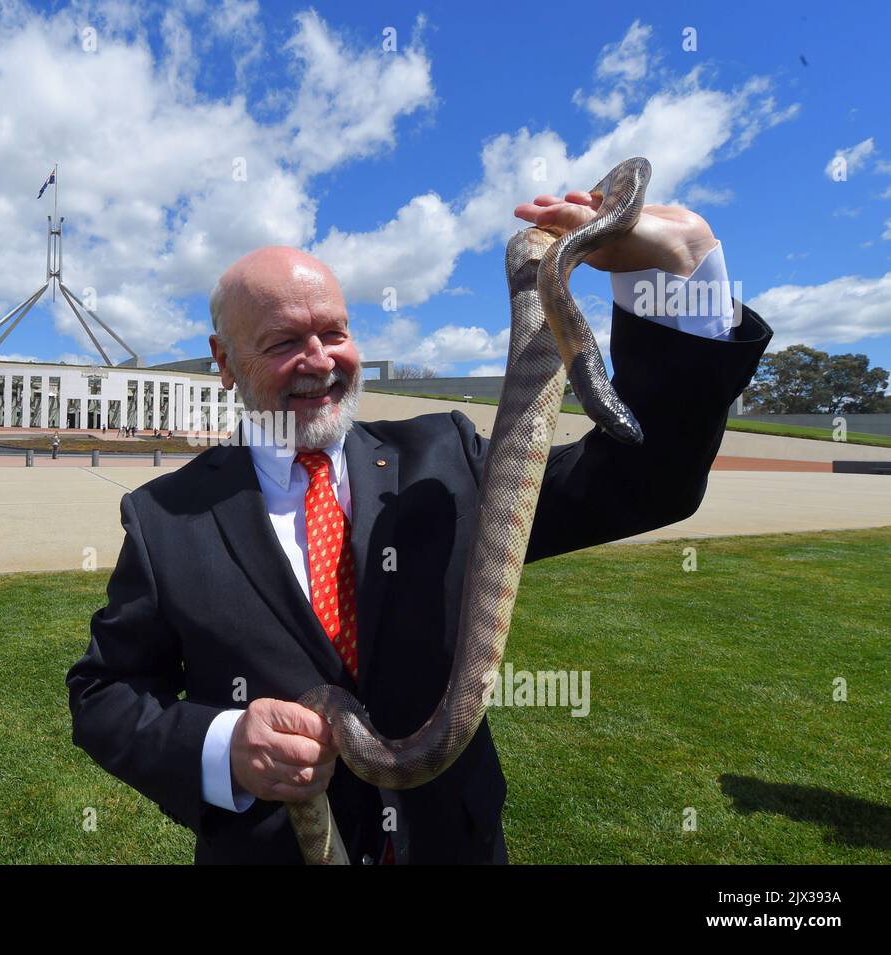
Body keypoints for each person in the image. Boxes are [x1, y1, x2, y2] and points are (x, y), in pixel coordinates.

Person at [67, 188, 774, 865]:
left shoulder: (446, 458)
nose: (319, 361)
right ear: (224, 362)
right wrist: (224, 745)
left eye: (334, 333)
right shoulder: (165, 517)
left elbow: (646, 483)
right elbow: (106, 694)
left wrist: (681, 269)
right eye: (284, 341)